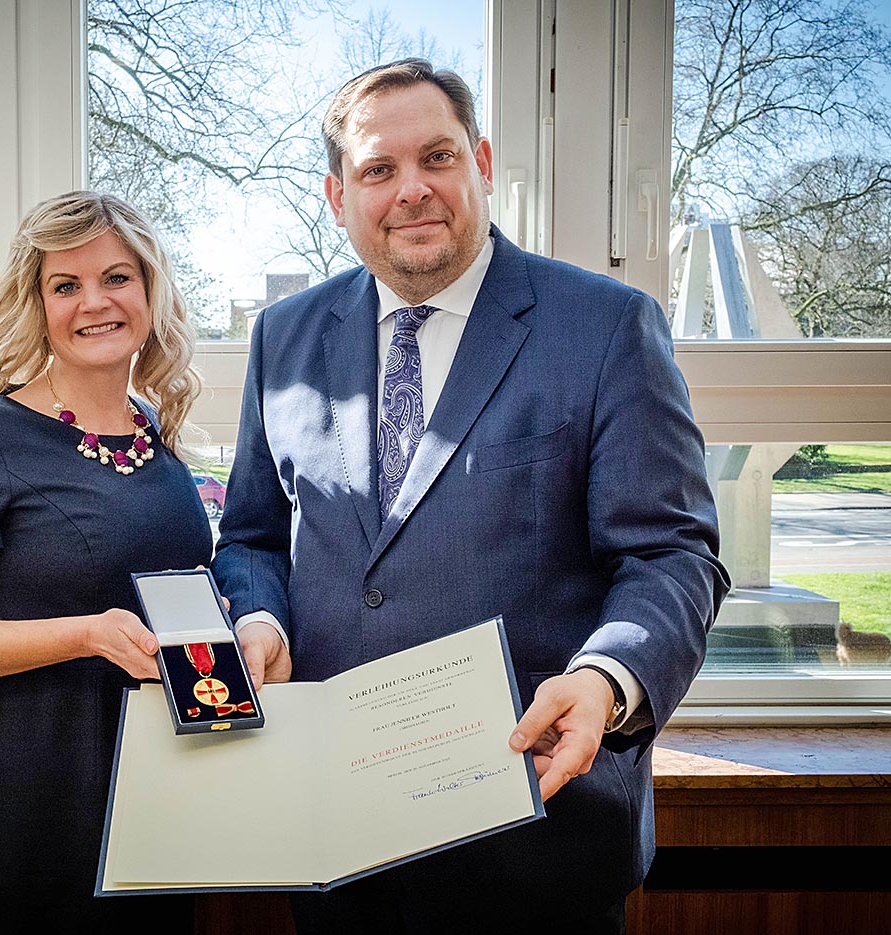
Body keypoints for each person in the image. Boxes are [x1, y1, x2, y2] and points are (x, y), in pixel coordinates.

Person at [213, 59, 730, 934]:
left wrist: (606, 678)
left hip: (538, 835)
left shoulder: (606, 326)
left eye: (438, 157)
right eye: (378, 169)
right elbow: (253, 536)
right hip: (333, 838)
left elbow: (670, 557)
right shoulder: (285, 336)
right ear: (338, 197)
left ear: (481, 163)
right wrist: (260, 619)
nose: (412, 189)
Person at [0, 191, 208, 934]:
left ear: (151, 291)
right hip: (26, 793)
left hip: (158, 792)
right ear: (38, 304)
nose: (94, 302)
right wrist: (87, 633)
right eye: (66, 285)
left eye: (117, 277)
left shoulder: (154, 435)